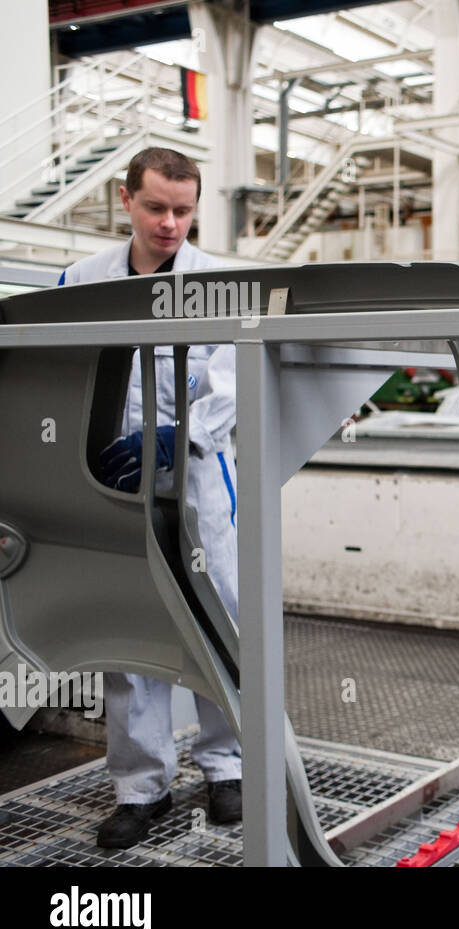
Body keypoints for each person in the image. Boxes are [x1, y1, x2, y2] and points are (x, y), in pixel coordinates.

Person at [59, 147, 242, 849]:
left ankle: (228, 766)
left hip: (197, 473)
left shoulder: (220, 282)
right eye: (157, 207)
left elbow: (232, 375)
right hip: (111, 474)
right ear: (126, 200)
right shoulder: (81, 280)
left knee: (219, 614)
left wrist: (178, 433)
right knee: (130, 625)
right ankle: (142, 789)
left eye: (184, 210)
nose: (171, 224)